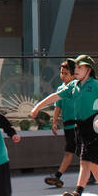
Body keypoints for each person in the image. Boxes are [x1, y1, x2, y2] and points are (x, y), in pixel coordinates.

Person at [60, 55, 98, 196]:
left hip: (95, 126)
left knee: (91, 162)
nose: (76, 70)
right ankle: (78, 194)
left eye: (80, 67)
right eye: (76, 67)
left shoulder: (97, 85)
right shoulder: (75, 85)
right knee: (85, 162)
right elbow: (56, 96)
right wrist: (37, 107)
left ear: (89, 69)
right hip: (81, 127)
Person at [30, 59, 78, 189]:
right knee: (75, 152)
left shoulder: (76, 86)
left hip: (77, 126)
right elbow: (58, 106)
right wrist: (54, 122)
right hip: (68, 126)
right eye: (61, 73)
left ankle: (58, 176)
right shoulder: (60, 89)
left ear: (74, 75)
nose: (62, 76)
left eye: (66, 73)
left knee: (71, 152)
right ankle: (90, 174)